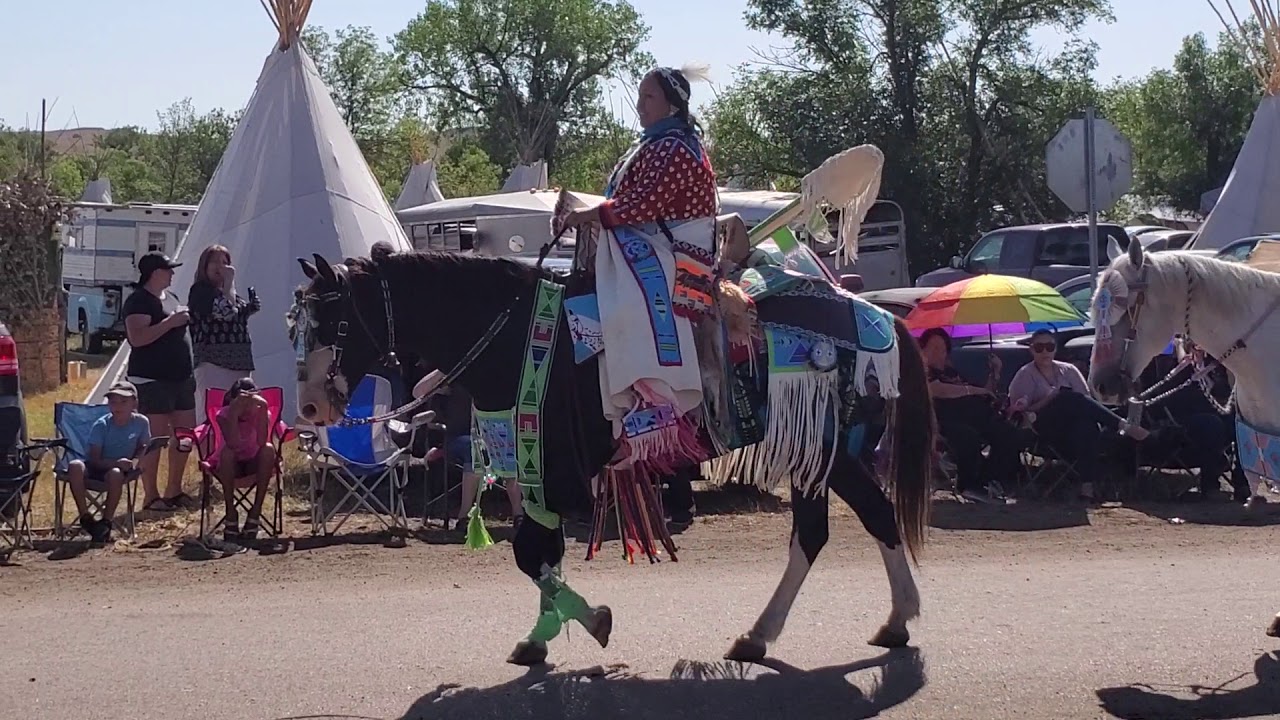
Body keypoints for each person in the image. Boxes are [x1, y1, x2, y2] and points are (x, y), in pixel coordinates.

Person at [558, 63, 719, 463]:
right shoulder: (651, 144)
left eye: (649, 97)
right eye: (641, 96)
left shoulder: (679, 148)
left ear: (671, 105)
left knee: (631, 305)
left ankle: (655, 399)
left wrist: (589, 215)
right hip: (650, 242)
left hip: (680, 253)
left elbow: (643, 205)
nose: (640, 104)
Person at [1008, 329, 1149, 502]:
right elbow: (1023, 413)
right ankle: (1123, 425)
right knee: (1066, 397)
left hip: (1073, 431)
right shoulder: (1025, 374)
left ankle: (1086, 488)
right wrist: (1050, 398)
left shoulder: (1069, 370)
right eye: (1039, 347)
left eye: (1049, 347)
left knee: (1086, 425)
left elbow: (1085, 402)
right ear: (1031, 350)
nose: (1045, 352)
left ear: (1055, 348)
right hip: (1044, 428)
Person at [123, 251, 195, 511]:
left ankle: (174, 490)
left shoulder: (172, 298)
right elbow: (138, 338)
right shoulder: (138, 301)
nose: (173, 273)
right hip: (151, 379)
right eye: (168, 270)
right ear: (155, 273)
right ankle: (151, 496)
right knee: (155, 438)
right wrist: (171, 322)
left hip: (181, 378)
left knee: (184, 435)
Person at [919, 328, 1022, 503]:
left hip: (977, 416)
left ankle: (983, 481)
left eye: (943, 349)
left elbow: (985, 392)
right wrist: (971, 390)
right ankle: (969, 484)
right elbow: (939, 390)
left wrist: (995, 372)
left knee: (1009, 434)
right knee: (967, 437)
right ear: (922, 351)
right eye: (934, 348)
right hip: (944, 421)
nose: (939, 354)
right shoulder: (922, 372)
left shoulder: (952, 372)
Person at [66, 382, 151, 545]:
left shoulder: (141, 423)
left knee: (116, 474)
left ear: (134, 403)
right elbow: (94, 460)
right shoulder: (102, 425)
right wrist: (115, 462)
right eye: (113, 402)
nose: (118, 406)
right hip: (98, 466)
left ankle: (106, 522)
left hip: (119, 471)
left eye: (123, 402)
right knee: (75, 466)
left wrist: (133, 462)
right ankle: (86, 517)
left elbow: (144, 446)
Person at [187, 245, 261, 423]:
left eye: (225, 262)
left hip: (239, 363)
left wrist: (248, 307)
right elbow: (226, 312)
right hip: (213, 363)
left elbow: (237, 313)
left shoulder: (230, 294)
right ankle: (211, 449)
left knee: (241, 417)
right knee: (214, 415)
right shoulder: (200, 291)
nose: (221, 267)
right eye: (214, 262)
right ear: (204, 266)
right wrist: (229, 285)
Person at [211, 378, 277, 543]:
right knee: (227, 453)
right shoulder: (224, 414)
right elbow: (233, 442)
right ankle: (230, 512)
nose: (247, 407)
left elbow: (262, 441)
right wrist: (234, 411)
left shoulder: (262, 412)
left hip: (254, 462)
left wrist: (263, 408)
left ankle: (256, 511)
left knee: (268, 449)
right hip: (230, 466)